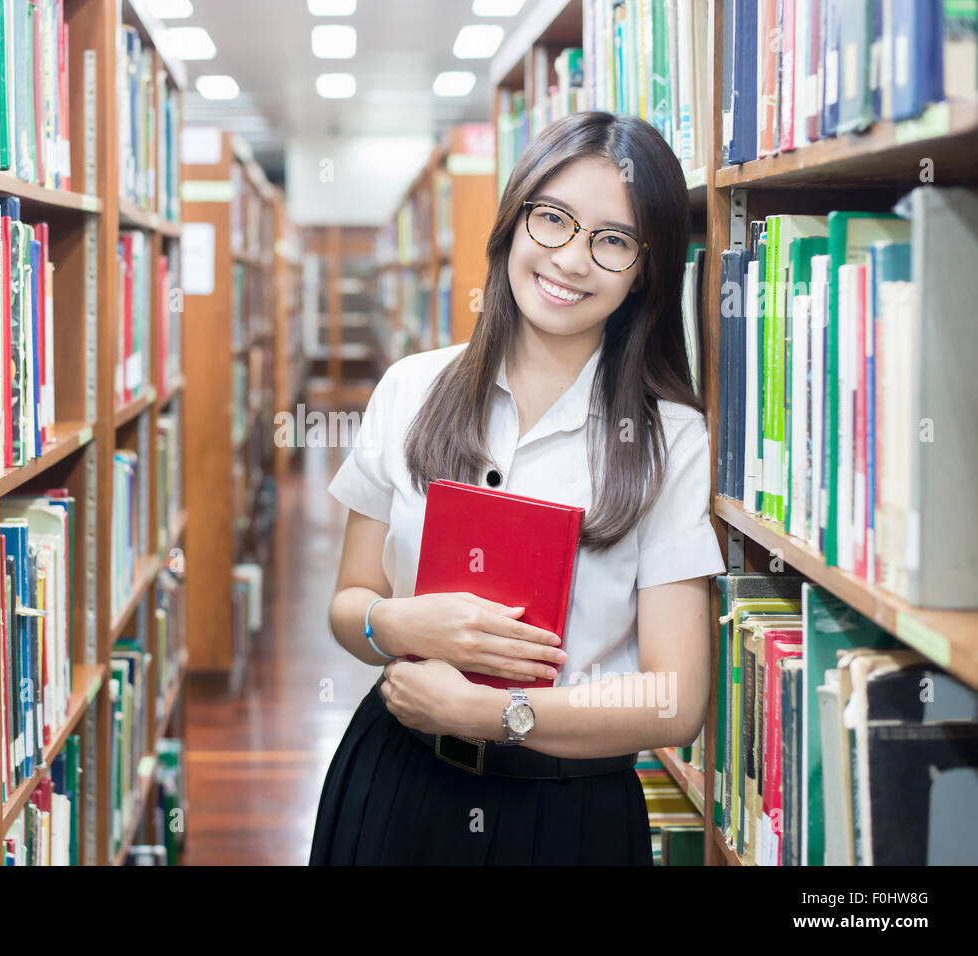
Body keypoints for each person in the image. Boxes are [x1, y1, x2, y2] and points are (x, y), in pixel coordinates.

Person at [309, 111, 726, 866]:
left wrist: (498, 713)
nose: (571, 259)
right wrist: (401, 628)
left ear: (646, 269)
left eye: (612, 240)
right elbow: (349, 605)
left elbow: (676, 699)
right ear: (514, 221)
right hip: (393, 782)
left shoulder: (671, 441)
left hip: (566, 818)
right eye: (553, 219)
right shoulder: (410, 388)